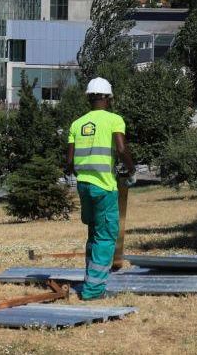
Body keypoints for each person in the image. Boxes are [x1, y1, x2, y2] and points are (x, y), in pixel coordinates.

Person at [65, 76, 134, 300]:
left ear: (89, 97)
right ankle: (93, 291)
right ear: (108, 97)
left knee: (94, 234)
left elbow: (69, 161)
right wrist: (131, 169)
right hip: (104, 187)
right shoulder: (114, 120)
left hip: (84, 186)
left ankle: (90, 280)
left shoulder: (77, 124)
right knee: (105, 237)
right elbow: (122, 149)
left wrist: (84, 175)